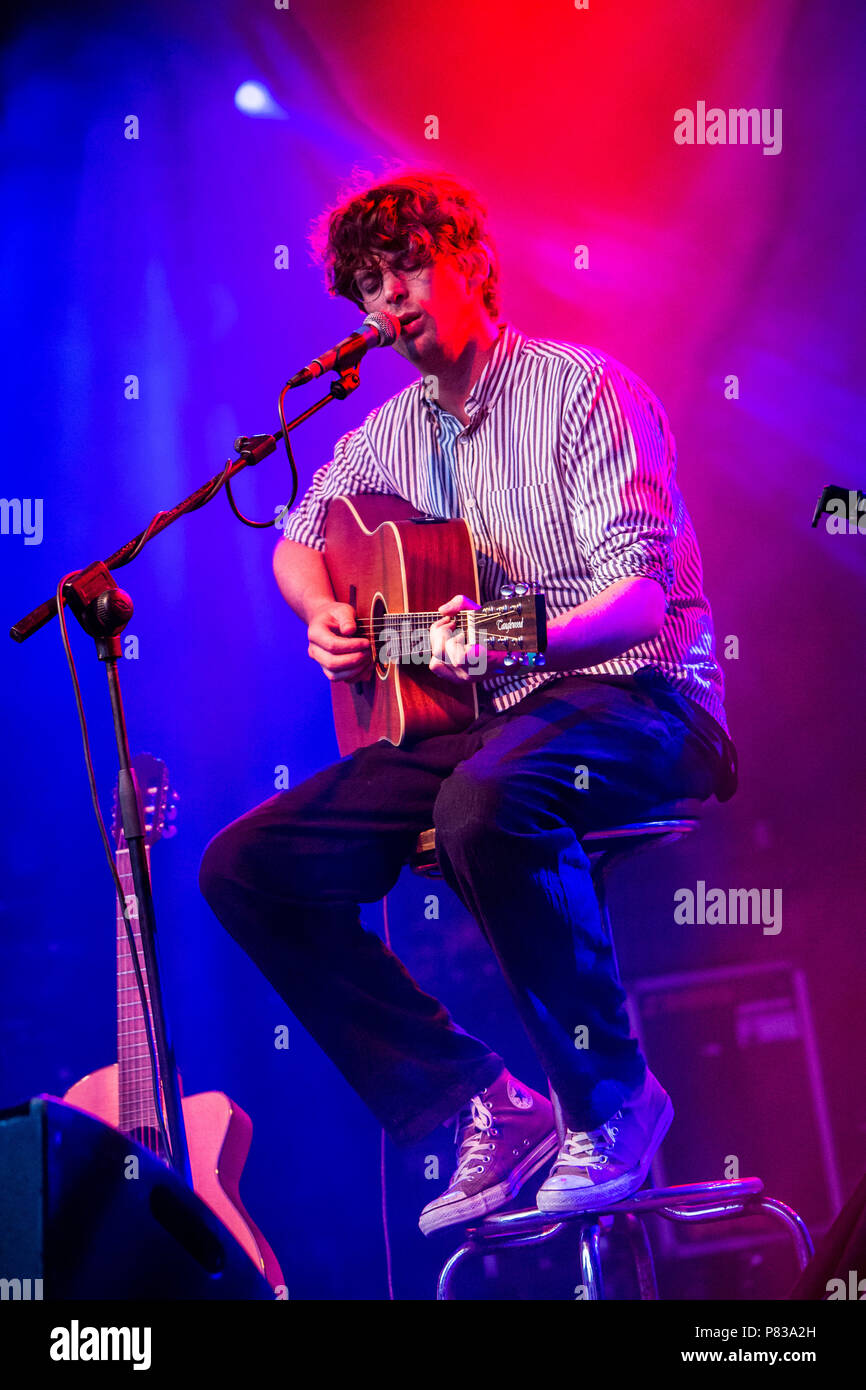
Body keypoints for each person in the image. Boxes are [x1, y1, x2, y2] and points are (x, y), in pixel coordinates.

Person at [198, 169, 737, 1235]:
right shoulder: (390, 430)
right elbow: (300, 537)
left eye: (405, 269)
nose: (386, 301)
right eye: (366, 286)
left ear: (470, 266)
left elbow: (635, 603)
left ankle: (612, 1102)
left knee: (481, 803)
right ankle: (477, 1096)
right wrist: (322, 616)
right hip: (497, 720)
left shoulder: (585, 390)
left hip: (644, 703)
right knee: (245, 867)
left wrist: (491, 636)